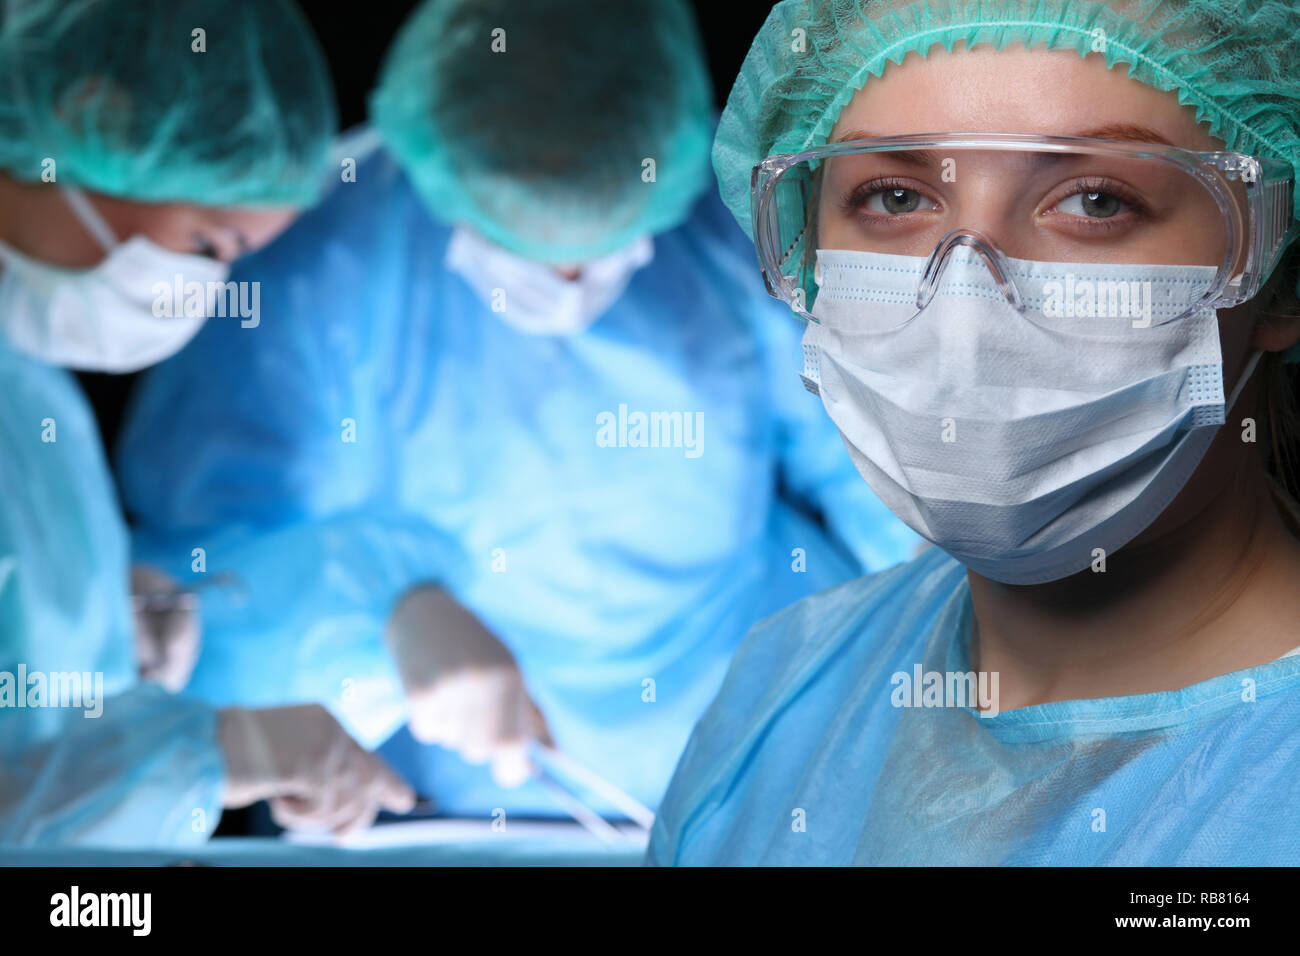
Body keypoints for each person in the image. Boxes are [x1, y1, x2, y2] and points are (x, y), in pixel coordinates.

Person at [116, 0, 919, 816]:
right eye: (527, 245)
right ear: (445, 163)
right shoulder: (318, 260)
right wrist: (356, 654)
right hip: (446, 799)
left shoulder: (742, 222)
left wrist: (954, 672)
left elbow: (889, 476)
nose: (569, 290)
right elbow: (196, 600)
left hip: (772, 756)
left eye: (604, 246)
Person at [648, 0, 1300, 865]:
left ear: (1280, 272)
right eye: (894, 195)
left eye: (1096, 200)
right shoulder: (787, 683)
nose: (965, 312)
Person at [0, 0, 413, 846]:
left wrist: (91, 617)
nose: (211, 287)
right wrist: (216, 754)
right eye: (208, 242)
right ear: (92, 117)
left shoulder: (29, 382)